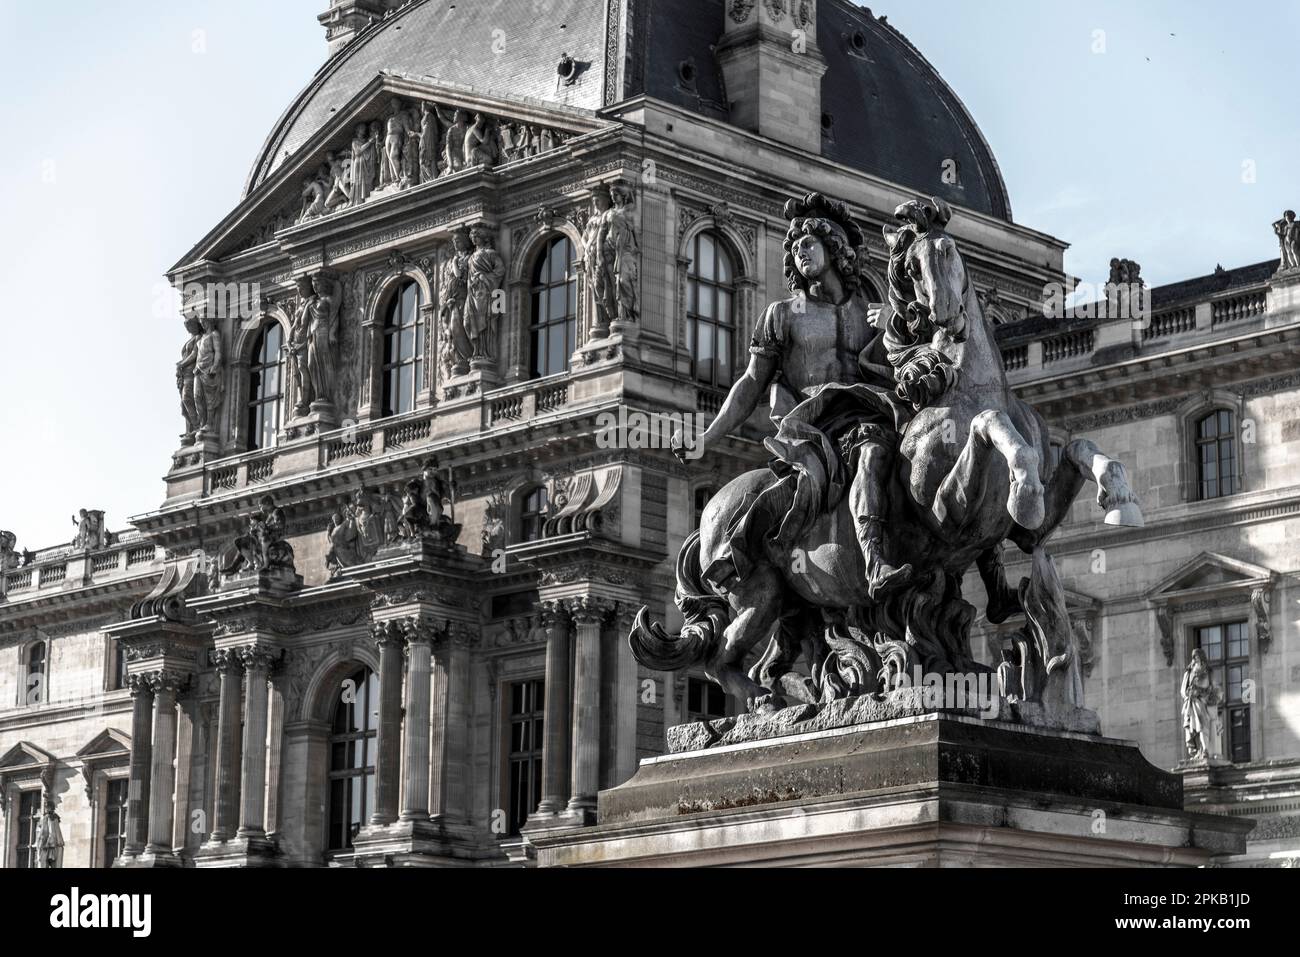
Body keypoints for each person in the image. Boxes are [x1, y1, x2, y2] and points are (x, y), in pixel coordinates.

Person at [678, 193, 913, 599]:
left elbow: (916, 363)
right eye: (794, 246)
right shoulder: (782, 314)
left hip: (868, 413)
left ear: (835, 248)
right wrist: (706, 439)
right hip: (811, 426)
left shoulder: (870, 315)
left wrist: (899, 324)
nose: (799, 250)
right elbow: (751, 383)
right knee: (871, 451)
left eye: (809, 242)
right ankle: (874, 560)